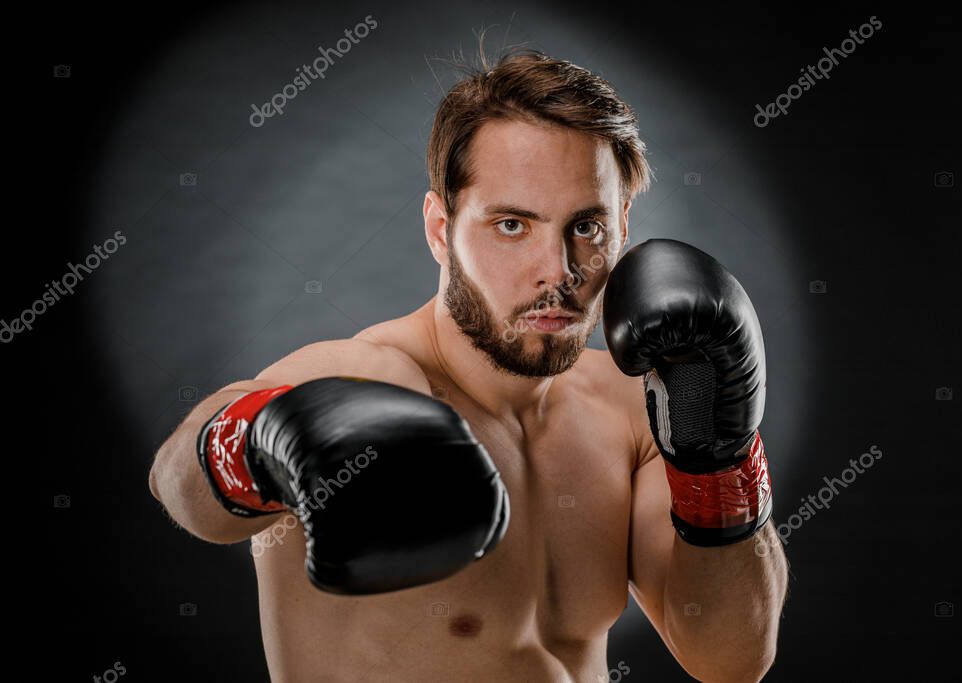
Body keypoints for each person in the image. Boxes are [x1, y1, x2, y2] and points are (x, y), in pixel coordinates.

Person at [149, 47, 788, 682]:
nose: (558, 271)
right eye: (512, 225)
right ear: (439, 229)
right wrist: (262, 440)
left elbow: (730, 659)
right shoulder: (376, 382)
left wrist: (721, 457)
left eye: (587, 227)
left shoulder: (632, 412)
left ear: (624, 224)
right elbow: (179, 486)